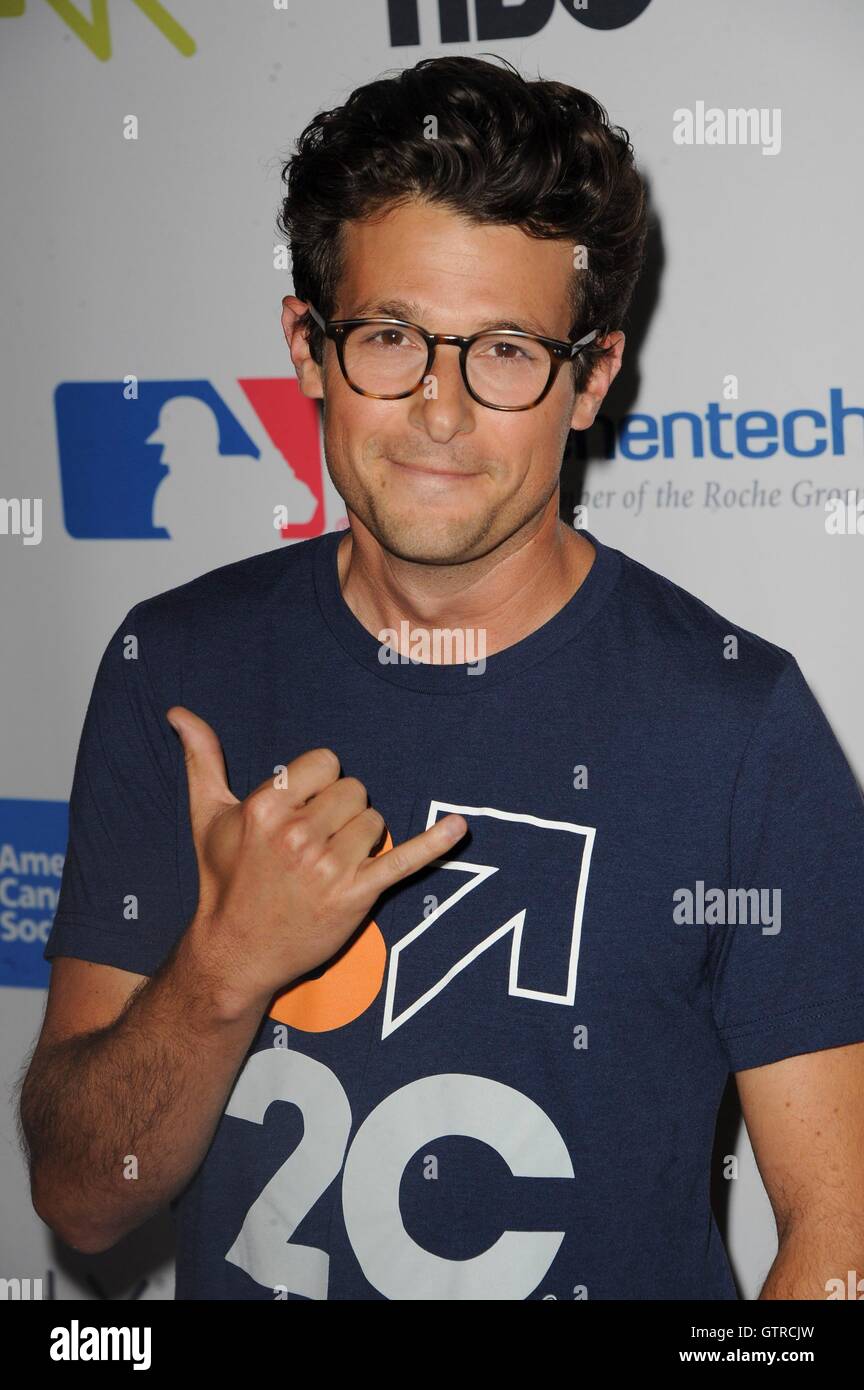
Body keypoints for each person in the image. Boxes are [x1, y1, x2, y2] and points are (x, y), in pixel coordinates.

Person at [19, 54, 864, 1301]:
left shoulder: (741, 727)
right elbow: (82, 1202)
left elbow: (839, 1240)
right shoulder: (176, 668)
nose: (441, 409)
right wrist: (221, 969)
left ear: (591, 380)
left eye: (508, 350)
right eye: (393, 336)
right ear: (308, 347)